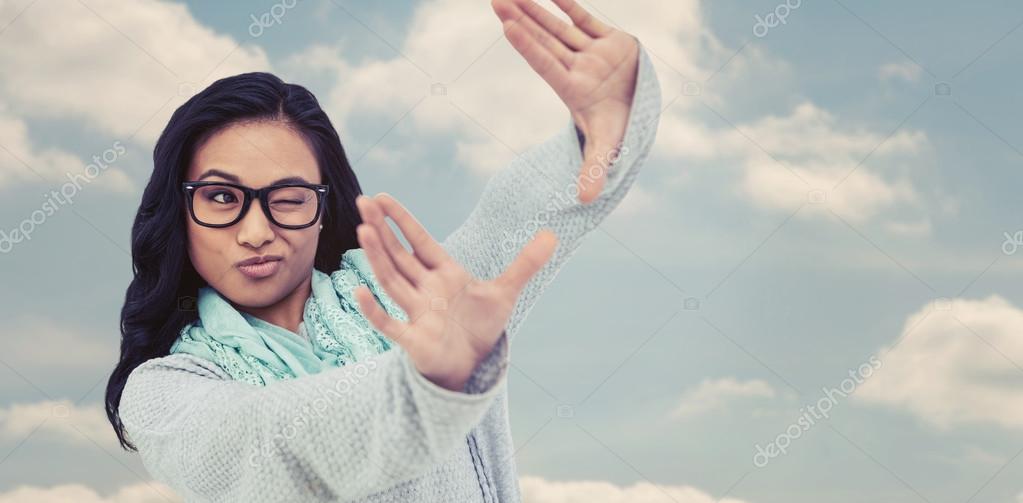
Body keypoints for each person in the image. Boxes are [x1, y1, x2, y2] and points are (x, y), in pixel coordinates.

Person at [106, 0, 662, 501]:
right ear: (180, 210)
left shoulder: (417, 296)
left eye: (289, 197)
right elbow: (265, 443)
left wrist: (598, 136)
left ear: (323, 209)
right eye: (223, 196)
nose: (256, 231)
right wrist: (424, 383)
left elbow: (515, 217)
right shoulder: (165, 389)